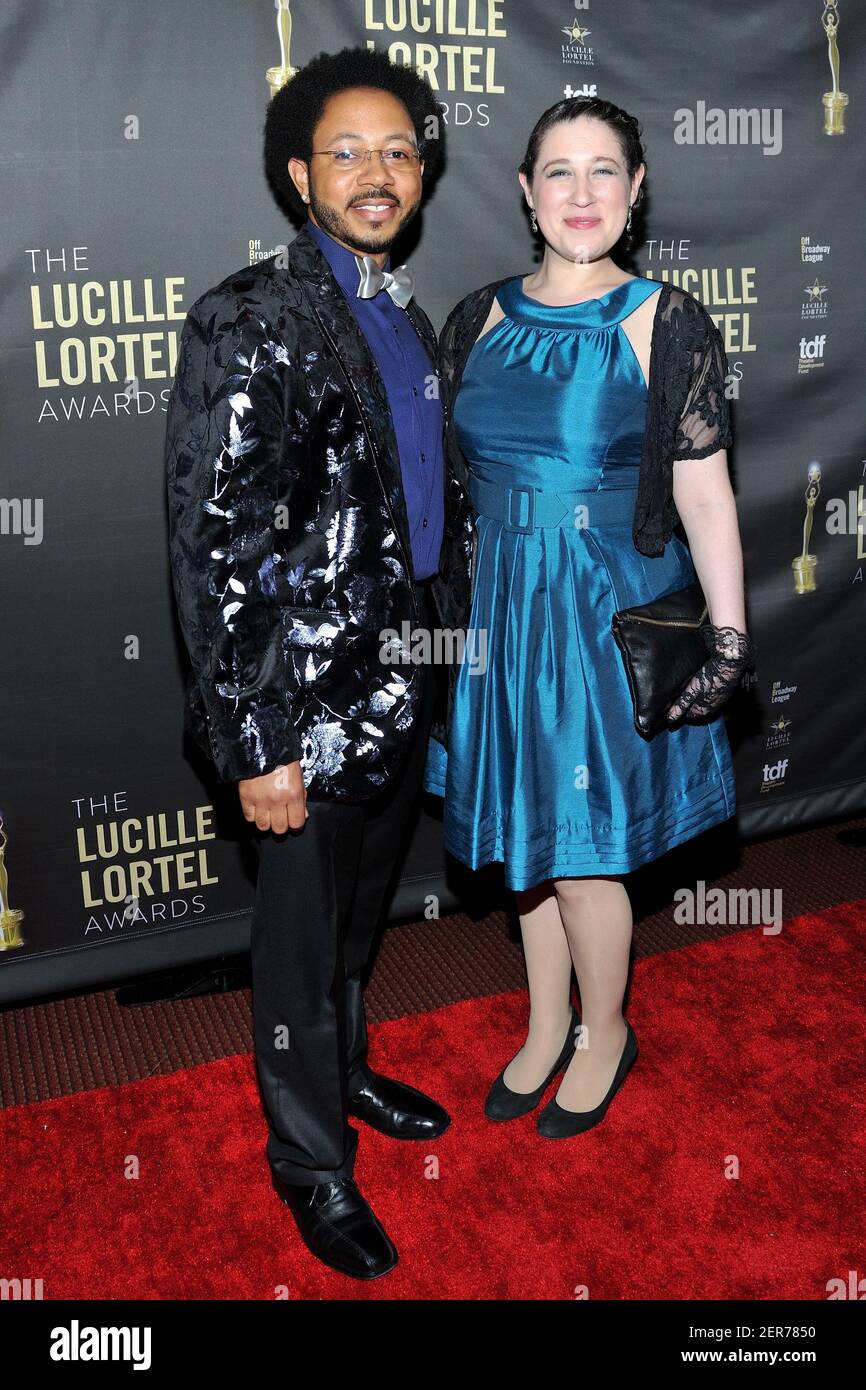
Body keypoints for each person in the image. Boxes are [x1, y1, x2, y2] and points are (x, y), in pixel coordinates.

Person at [165, 46, 459, 1280]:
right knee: (296, 948)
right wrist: (259, 739)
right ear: (299, 175)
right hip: (303, 710)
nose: (376, 171)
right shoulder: (252, 313)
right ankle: (309, 1162)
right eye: (346, 151)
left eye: (397, 149)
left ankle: (342, 1074)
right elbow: (216, 540)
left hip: (401, 682)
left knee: (348, 935)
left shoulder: (399, 308)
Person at [423, 97, 757, 1139]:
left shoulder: (664, 319)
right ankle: (544, 1019)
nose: (579, 193)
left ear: (636, 189)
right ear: (523, 191)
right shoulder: (474, 318)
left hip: (596, 610)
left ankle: (604, 1029)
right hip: (500, 611)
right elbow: (450, 489)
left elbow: (704, 495)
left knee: (581, 852)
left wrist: (730, 633)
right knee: (522, 842)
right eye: (556, 172)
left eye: (602, 170)